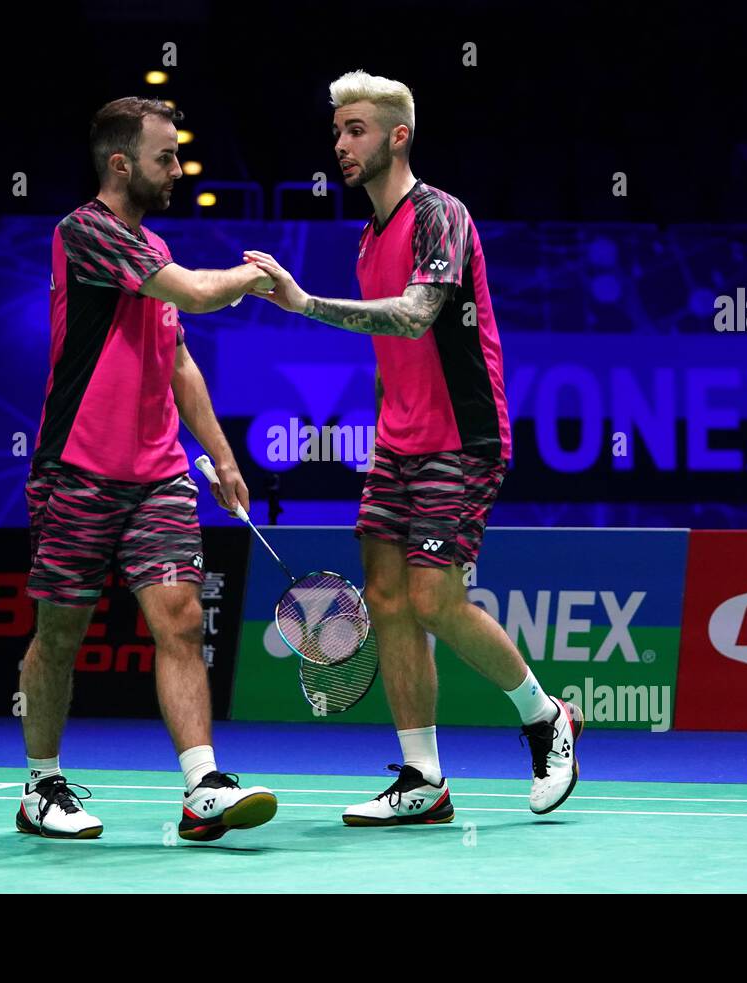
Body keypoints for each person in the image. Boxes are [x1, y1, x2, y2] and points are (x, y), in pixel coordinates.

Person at [246, 71, 582, 826]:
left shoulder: (441, 215)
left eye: (356, 129)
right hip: (397, 445)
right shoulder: (368, 239)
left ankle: (544, 715)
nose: (340, 144)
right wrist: (376, 437)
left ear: (399, 135)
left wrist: (301, 303)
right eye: (336, 131)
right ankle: (423, 778)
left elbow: (414, 316)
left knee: (434, 596)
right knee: (390, 600)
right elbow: (386, 359)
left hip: (462, 438)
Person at [17, 96, 277, 842]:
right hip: (78, 471)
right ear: (121, 163)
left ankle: (203, 786)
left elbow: (180, 357)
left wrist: (223, 457)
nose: (178, 167)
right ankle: (41, 786)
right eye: (166, 155)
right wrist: (255, 277)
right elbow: (198, 291)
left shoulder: (150, 244)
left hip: (159, 474)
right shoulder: (86, 233)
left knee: (183, 619)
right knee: (60, 635)